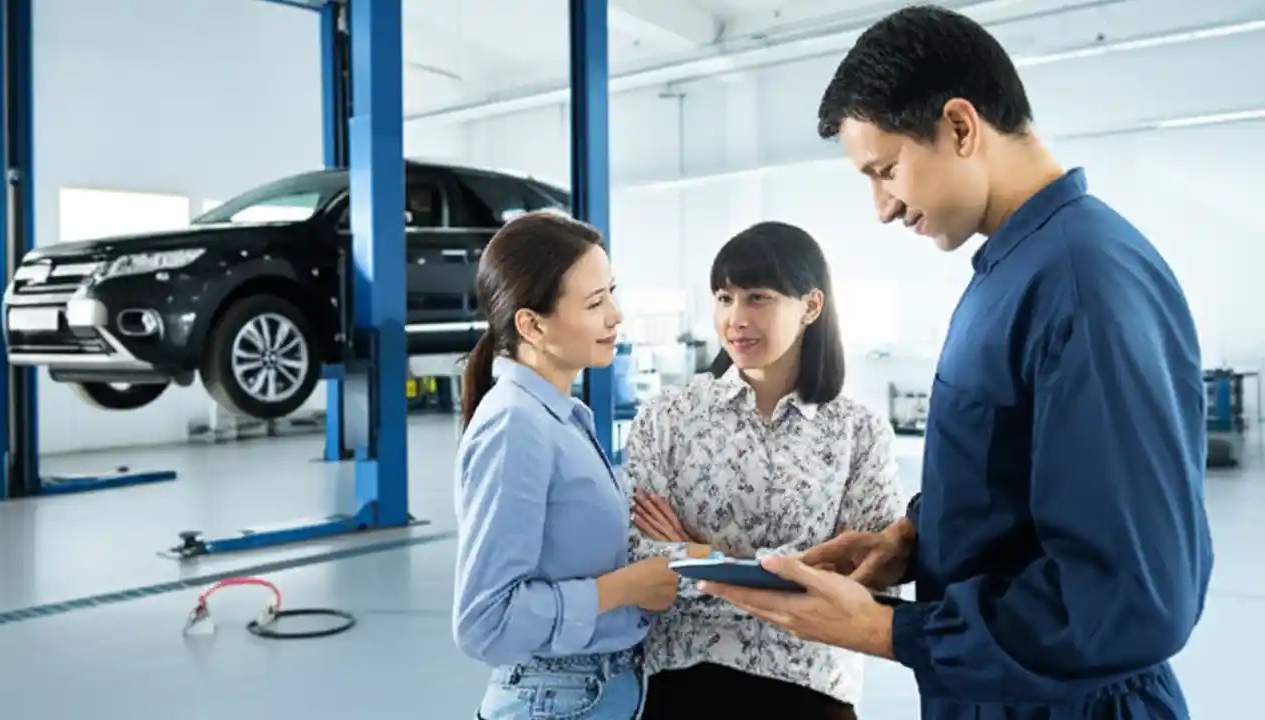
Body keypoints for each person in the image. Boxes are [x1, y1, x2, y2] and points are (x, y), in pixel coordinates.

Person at [698, 6, 1214, 720]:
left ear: (961, 127)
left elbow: (1132, 598)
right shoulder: (1012, 269)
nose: (882, 207)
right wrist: (910, 541)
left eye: (885, 170)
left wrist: (887, 628)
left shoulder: (1082, 280)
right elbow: (1019, 474)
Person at [625, 221, 906, 719]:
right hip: (686, 685)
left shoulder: (858, 433)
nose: (735, 318)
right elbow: (635, 558)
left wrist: (695, 552)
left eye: (758, 297)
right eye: (724, 297)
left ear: (811, 307)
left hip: (814, 693)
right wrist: (802, 571)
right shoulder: (668, 417)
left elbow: (876, 580)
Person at [451, 211, 680, 720]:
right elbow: (485, 622)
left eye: (612, 293)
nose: (616, 315)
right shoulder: (516, 426)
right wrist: (622, 589)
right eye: (595, 303)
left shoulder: (559, 417)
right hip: (558, 699)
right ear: (531, 324)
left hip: (593, 691)